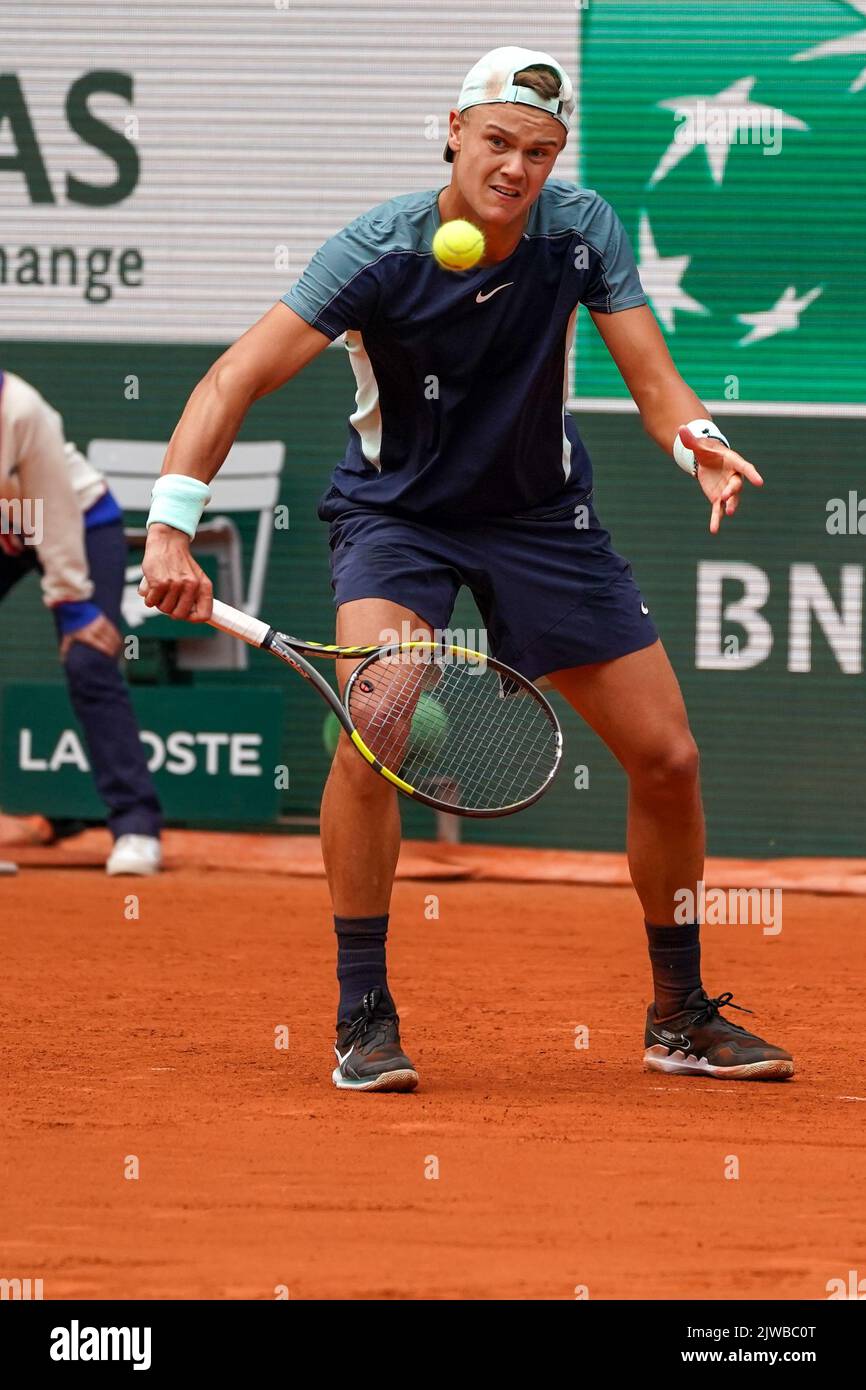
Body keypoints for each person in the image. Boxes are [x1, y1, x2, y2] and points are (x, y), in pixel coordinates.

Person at [140, 45, 793, 1088]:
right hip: (398, 516)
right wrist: (172, 525)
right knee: (382, 713)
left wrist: (697, 442)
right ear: (453, 129)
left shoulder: (580, 232)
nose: (515, 168)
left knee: (667, 759)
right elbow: (234, 377)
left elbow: (655, 380)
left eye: (537, 151)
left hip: (539, 517)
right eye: (496, 141)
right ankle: (363, 1010)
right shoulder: (378, 248)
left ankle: (676, 1014)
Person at [0, 369, 162, 875]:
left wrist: (73, 605)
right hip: (8, 525)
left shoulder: (20, 409)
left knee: (89, 659)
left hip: (77, 517)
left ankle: (136, 826)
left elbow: (53, 507)